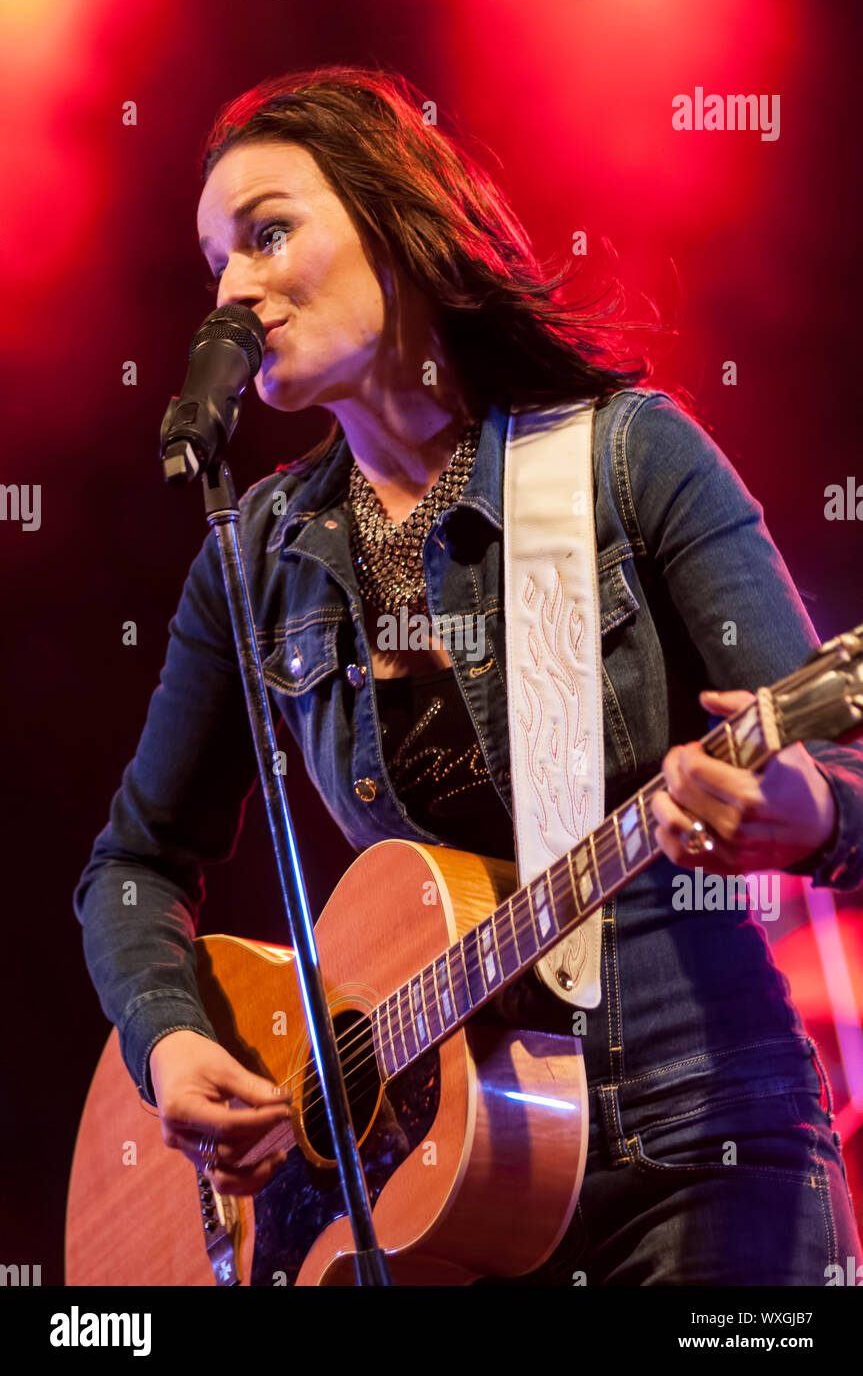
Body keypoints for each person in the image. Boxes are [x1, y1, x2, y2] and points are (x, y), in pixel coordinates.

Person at [74, 64, 863, 1285]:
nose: (231, 290)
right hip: (442, 1213)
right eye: (215, 263)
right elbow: (130, 865)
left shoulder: (622, 461)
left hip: (696, 1151)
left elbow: (843, 757)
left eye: (267, 233)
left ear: (396, 218)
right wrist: (170, 1043)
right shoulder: (258, 564)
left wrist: (807, 810)